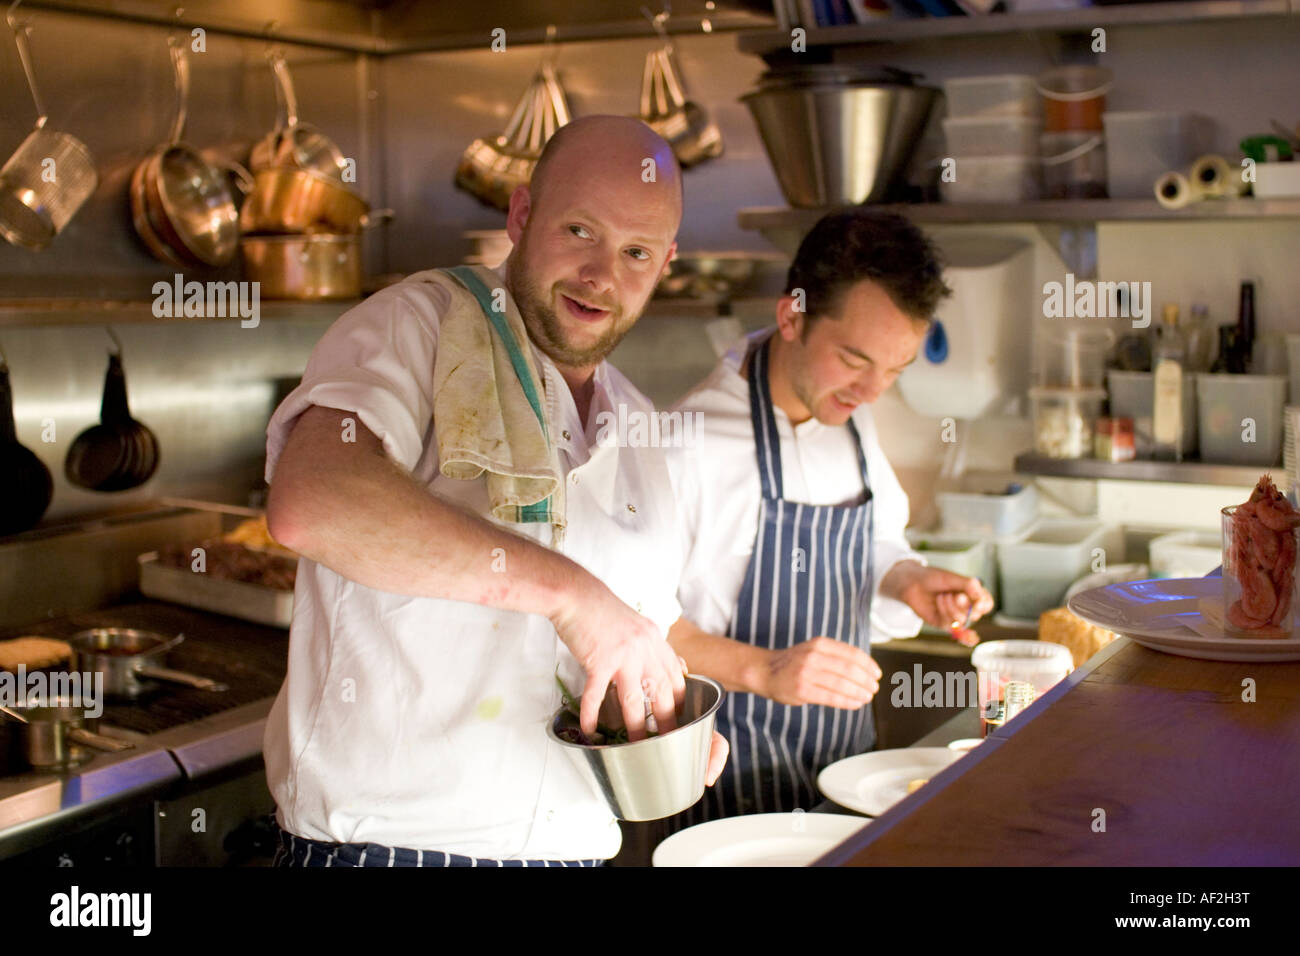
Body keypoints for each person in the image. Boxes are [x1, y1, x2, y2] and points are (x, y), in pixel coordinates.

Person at [262, 115, 726, 866]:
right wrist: (573, 596)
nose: (602, 275)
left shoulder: (640, 426)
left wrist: (668, 722)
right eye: (580, 231)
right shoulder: (416, 325)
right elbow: (312, 501)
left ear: (666, 263)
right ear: (521, 215)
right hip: (387, 852)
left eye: (635, 252)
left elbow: (635, 635)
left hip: (574, 849)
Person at [664, 209, 993, 824]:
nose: (873, 393)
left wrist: (907, 580)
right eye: (855, 359)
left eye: (895, 370)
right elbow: (635, 625)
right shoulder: (686, 442)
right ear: (793, 316)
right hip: (725, 795)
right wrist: (764, 669)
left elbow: (875, 545)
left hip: (845, 780)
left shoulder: (849, 417)